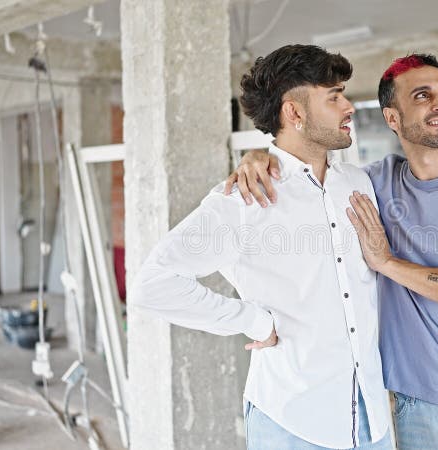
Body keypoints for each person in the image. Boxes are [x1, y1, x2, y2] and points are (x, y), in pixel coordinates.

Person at [227, 53, 438, 449]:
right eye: (422, 96)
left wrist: (387, 263)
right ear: (393, 119)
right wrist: (262, 157)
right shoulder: (373, 183)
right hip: (409, 408)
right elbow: (309, 168)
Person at [129, 45, 391, 450]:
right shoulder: (242, 199)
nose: (350, 107)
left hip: (370, 417)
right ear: (294, 113)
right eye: (334, 96)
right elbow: (152, 284)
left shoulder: (359, 184)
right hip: (292, 421)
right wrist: (254, 321)